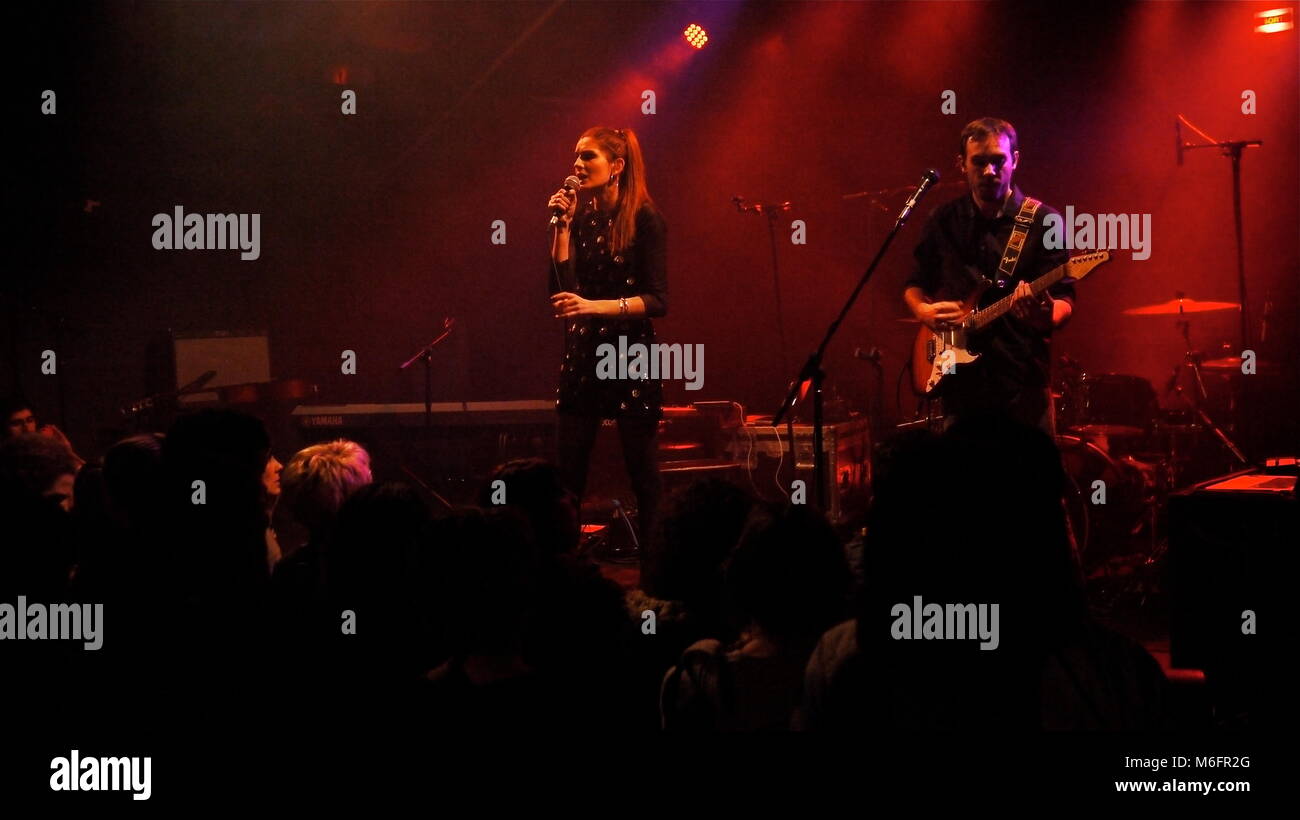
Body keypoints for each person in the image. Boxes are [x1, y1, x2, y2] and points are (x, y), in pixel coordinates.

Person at [903, 117, 1075, 433]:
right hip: (960, 389)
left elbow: (1065, 299)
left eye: (998, 161)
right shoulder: (943, 220)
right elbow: (915, 282)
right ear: (961, 164)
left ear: (1015, 160)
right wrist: (922, 310)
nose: (989, 171)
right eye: (979, 162)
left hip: (1022, 385)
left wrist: (1044, 316)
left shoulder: (1044, 221)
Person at [546, 126, 667, 551]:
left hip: (631, 353)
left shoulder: (645, 219)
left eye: (588, 156)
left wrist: (594, 306)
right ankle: (564, 566)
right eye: (576, 156)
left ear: (616, 166)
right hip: (584, 352)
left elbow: (657, 300)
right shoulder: (583, 218)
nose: (577, 164)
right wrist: (562, 227)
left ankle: (656, 571)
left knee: (643, 475)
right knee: (569, 476)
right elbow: (561, 289)